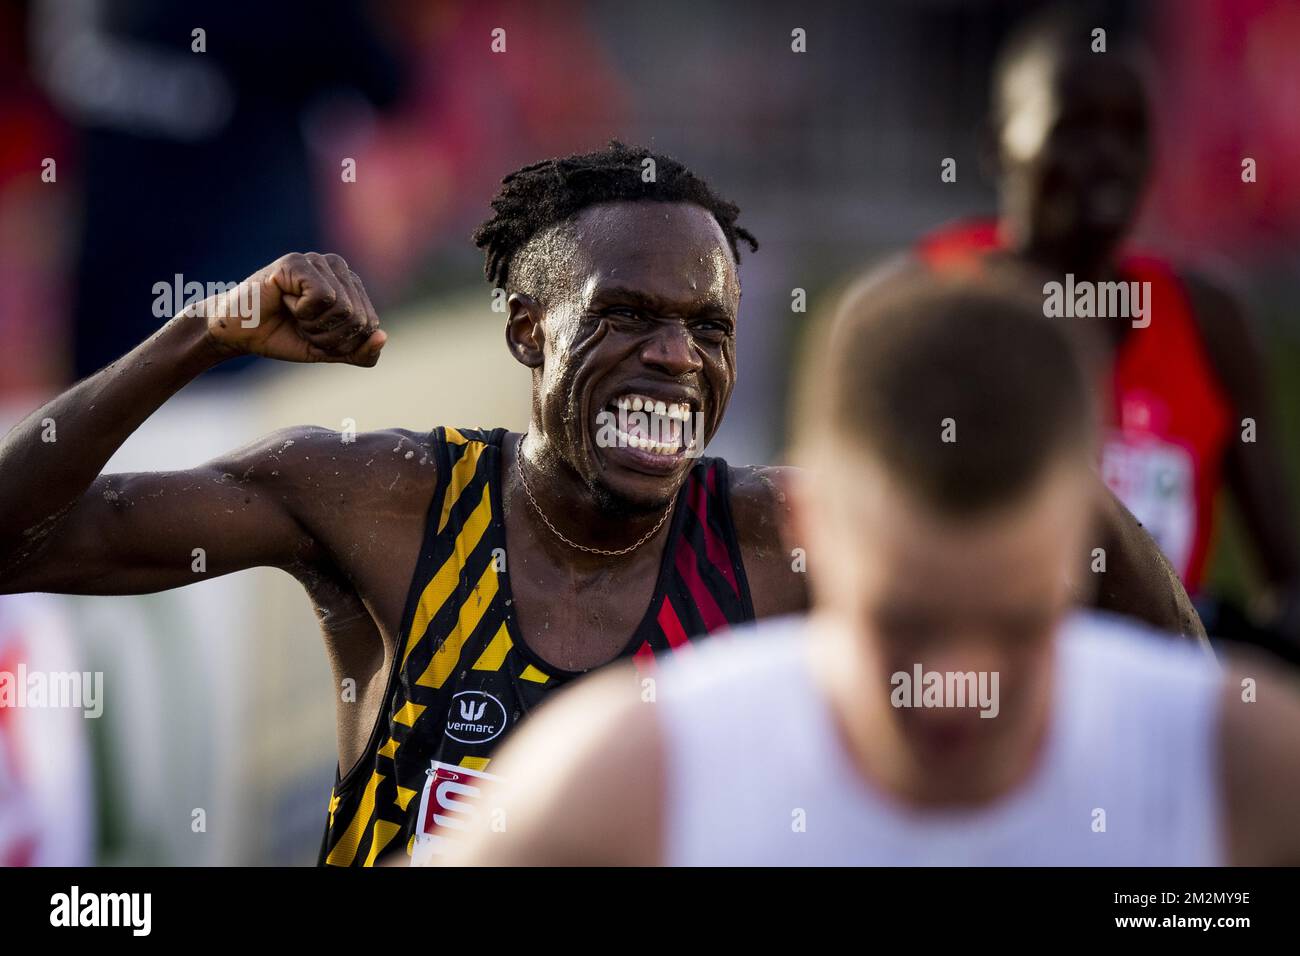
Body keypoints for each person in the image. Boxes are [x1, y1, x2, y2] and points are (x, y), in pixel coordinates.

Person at [0, 143, 1197, 867]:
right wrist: (199, 333)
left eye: (708, 328)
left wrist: (1046, 477)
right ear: (528, 329)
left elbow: (1140, 658)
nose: (675, 357)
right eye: (626, 314)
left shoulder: (780, 538)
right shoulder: (377, 496)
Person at [442, 274, 1300, 866]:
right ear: (808, 521)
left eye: (1018, 622)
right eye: (906, 621)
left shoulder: (1247, 775)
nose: (960, 686)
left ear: (1082, 544)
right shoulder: (624, 787)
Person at [914, 11, 1300, 646]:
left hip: (1156, 713)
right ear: (998, 143)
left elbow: (1285, 584)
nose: (1107, 158)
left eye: (1130, 130)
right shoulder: (931, 303)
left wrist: (1219, 639)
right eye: (1076, 128)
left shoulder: (1207, 318)